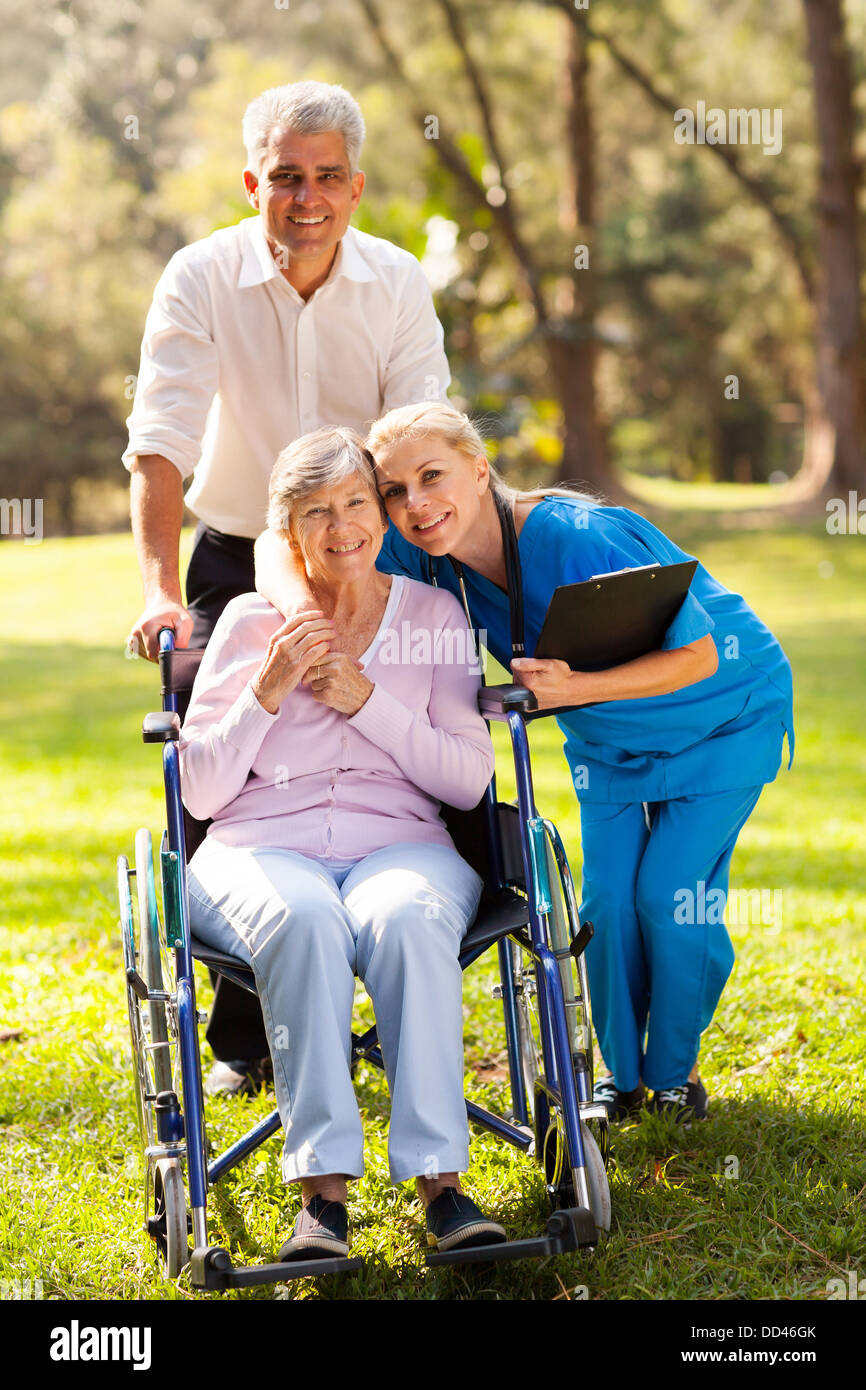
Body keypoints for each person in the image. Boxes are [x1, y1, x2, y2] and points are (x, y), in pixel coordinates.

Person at [256, 401, 795, 1127]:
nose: (415, 502)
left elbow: (698, 654)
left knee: (669, 899)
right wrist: (306, 620)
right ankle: (620, 1081)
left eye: (433, 475)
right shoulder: (424, 548)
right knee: (603, 905)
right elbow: (274, 542)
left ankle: (673, 1074)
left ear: (481, 471)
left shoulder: (575, 538)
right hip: (608, 740)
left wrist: (574, 690)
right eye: (394, 490)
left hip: (722, 712)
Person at [122, 79, 450, 1093]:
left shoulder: (393, 281)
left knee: (389, 734)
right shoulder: (200, 276)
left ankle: (402, 1001)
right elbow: (160, 445)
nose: (304, 199)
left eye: (324, 179)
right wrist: (156, 590)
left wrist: (415, 564)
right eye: (283, 178)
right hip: (234, 548)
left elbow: (419, 435)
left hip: (368, 542)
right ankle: (246, 1034)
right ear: (250, 180)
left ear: (353, 186)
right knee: (241, 755)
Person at [180, 427, 505, 1259]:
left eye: (357, 502)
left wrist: (369, 702)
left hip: (401, 844)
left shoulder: (432, 616)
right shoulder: (253, 622)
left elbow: (467, 782)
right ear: (288, 533)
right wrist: (267, 688)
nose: (341, 526)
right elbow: (205, 792)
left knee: (405, 918)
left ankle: (444, 1188)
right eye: (316, 512)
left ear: (383, 516)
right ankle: (322, 1198)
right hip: (259, 846)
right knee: (304, 919)